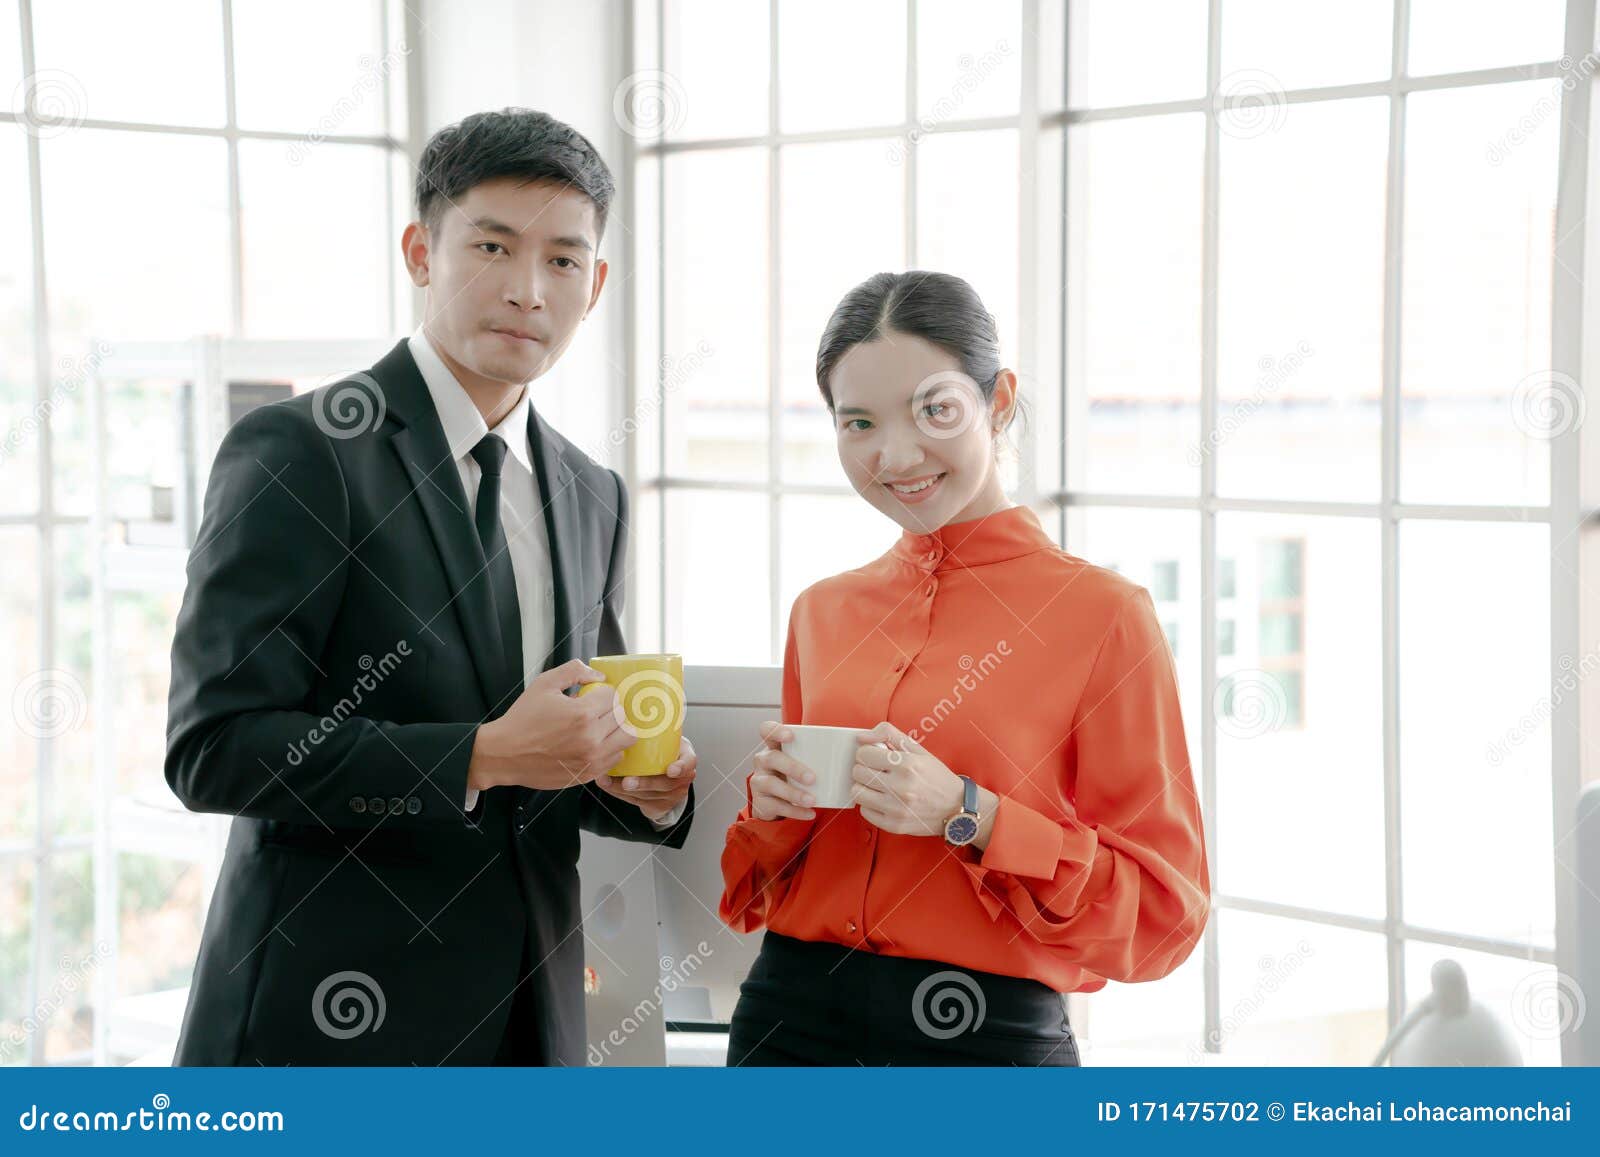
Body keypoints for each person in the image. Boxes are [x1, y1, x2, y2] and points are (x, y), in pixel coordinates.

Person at [165, 108, 695, 1066]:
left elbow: (558, 750)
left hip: (531, 1029)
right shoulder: (300, 452)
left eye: (564, 261)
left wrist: (638, 786)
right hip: (325, 1027)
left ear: (597, 283)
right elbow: (215, 749)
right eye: (493, 246)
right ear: (421, 250)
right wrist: (482, 754)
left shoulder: (589, 490)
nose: (529, 290)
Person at [718, 271, 1210, 1065]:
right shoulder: (821, 611)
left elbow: (1165, 916)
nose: (895, 454)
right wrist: (776, 814)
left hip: (987, 1045)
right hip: (787, 1025)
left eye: (933, 409)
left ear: (1000, 401)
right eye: (860, 422)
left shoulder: (1104, 615)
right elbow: (763, 891)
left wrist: (970, 813)